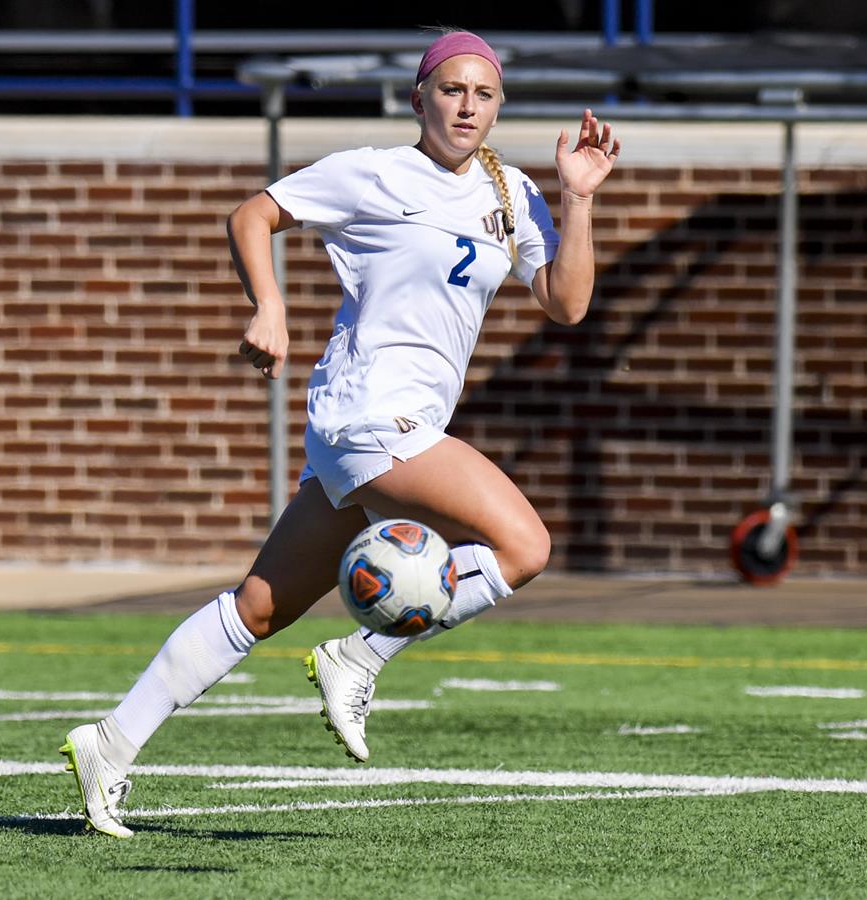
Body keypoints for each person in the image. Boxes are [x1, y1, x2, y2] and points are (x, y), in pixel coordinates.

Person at [60, 30, 620, 838]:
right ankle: (361, 655)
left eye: (485, 93)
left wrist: (579, 198)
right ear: (418, 96)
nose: (468, 106)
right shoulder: (373, 171)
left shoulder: (512, 191)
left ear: (500, 107)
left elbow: (566, 304)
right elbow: (253, 215)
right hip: (366, 414)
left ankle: (107, 746)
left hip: (392, 428)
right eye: (452, 89)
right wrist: (271, 306)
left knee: (254, 611)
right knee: (524, 547)